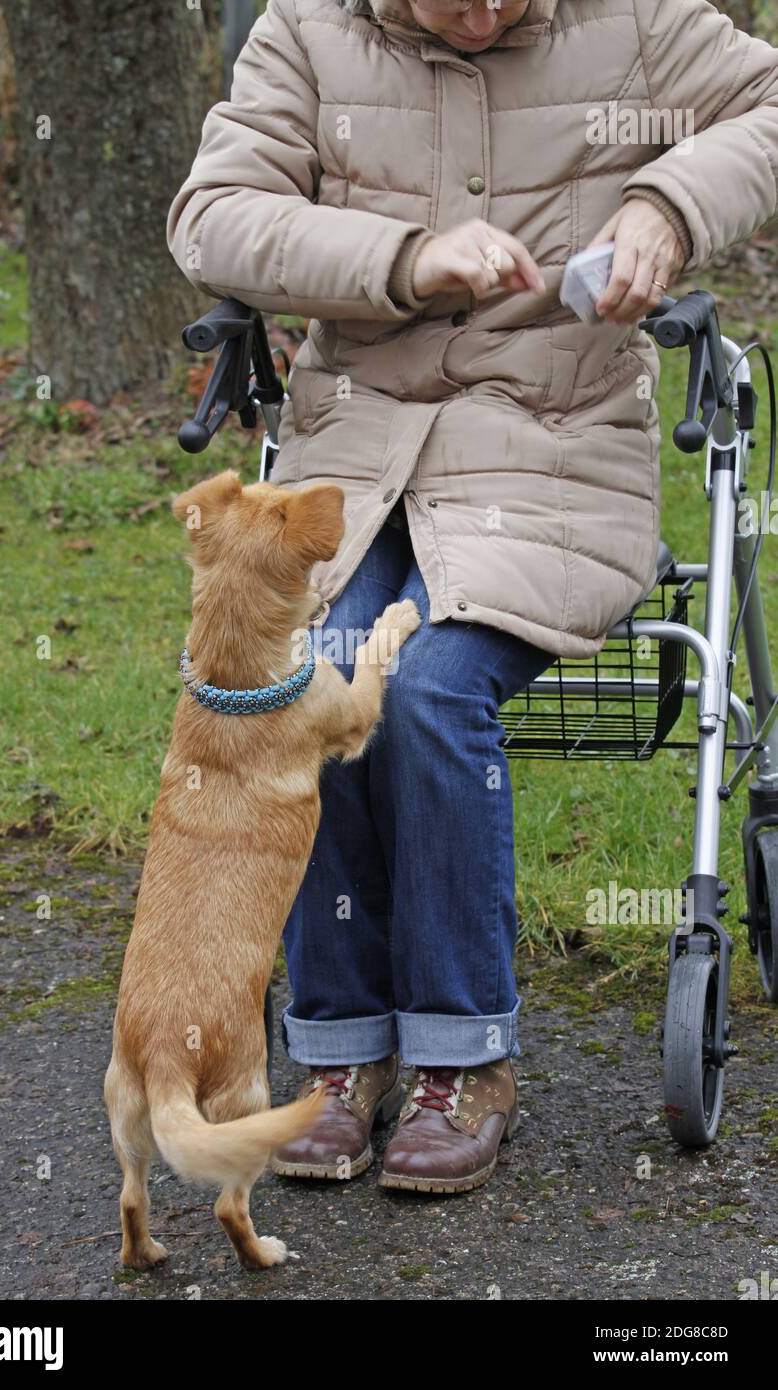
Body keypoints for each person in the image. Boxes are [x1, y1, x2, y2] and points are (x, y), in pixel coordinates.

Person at [167, 0, 778, 1193]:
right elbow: (212, 216)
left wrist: (667, 205)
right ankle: (339, 1051)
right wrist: (400, 259)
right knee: (319, 678)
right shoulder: (304, 35)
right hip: (358, 450)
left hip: (549, 449)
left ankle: (461, 1055)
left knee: (434, 686)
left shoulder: (637, 24)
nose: (489, 13)